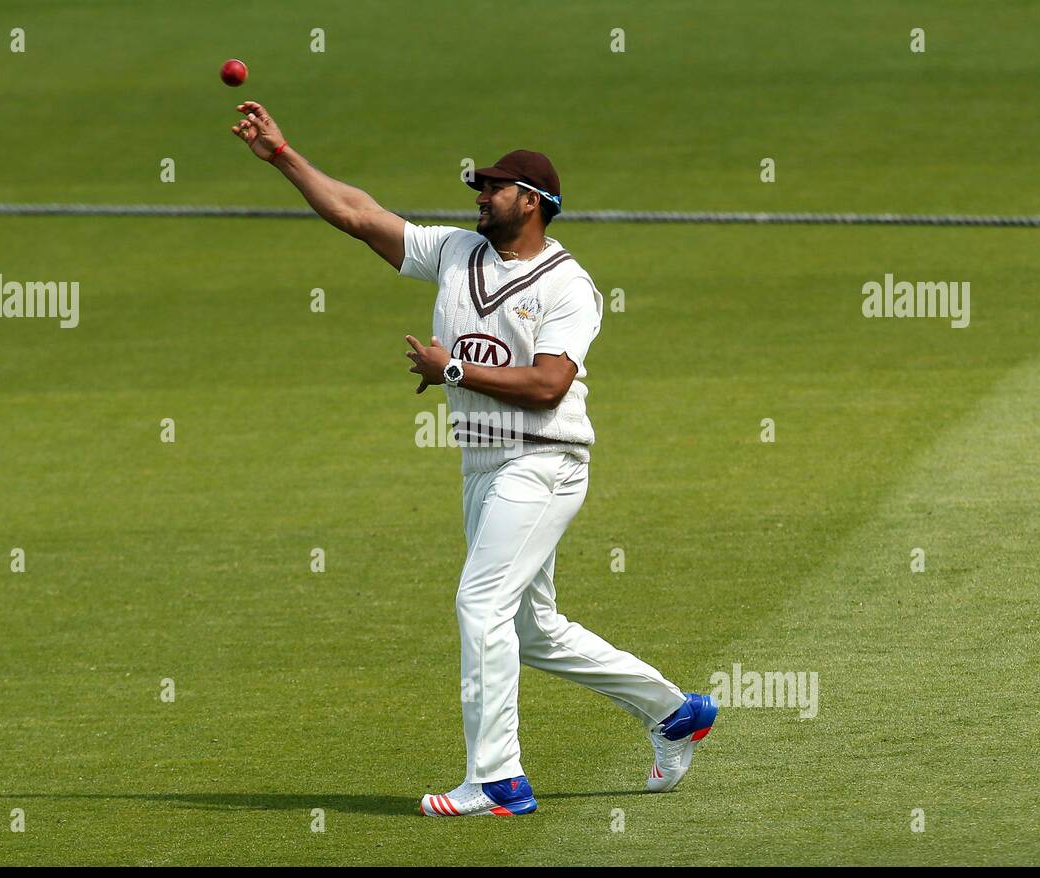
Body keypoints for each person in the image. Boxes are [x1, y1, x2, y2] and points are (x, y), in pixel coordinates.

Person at [231, 101, 718, 817]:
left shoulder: (567, 286)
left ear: (535, 202)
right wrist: (282, 154)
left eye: (494, 187)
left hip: (544, 461)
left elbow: (551, 385)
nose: (481, 196)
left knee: (479, 603)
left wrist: (453, 369)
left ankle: (498, 780)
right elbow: (361, 216)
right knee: (531, 630)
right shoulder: (457, 253)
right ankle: (678, 714)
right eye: (480, 187)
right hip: (484, 465)